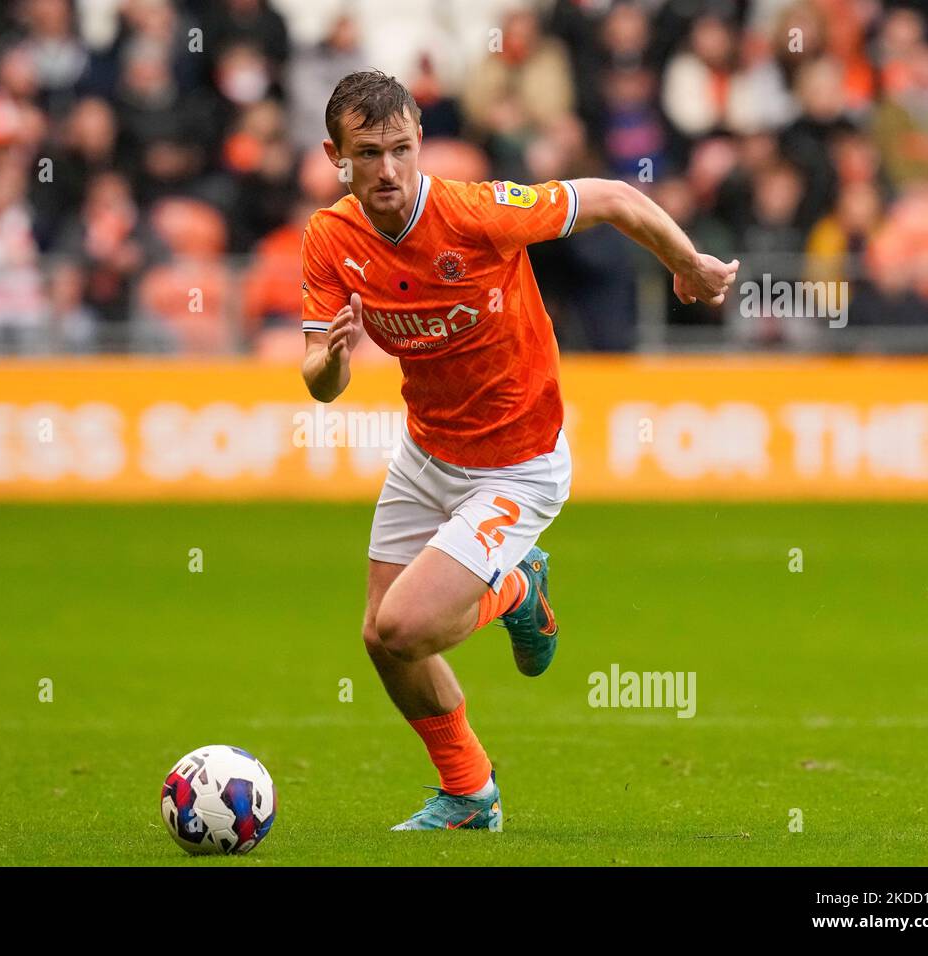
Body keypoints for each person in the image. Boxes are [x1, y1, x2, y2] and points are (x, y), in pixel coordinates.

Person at [299, 71, 737, 831]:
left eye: (401, 149)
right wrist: (335, 361)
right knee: (381, 640)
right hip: (426, 453)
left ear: (421, 144)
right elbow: (319, 382)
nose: (388, 170)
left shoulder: (476, 212)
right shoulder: (330, 239)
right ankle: (471, 793)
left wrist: (687, 262)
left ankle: (515, 592)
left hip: (518, 466)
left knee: (405, 627)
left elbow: (611, 197)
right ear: (335, 154)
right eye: (367, 153)